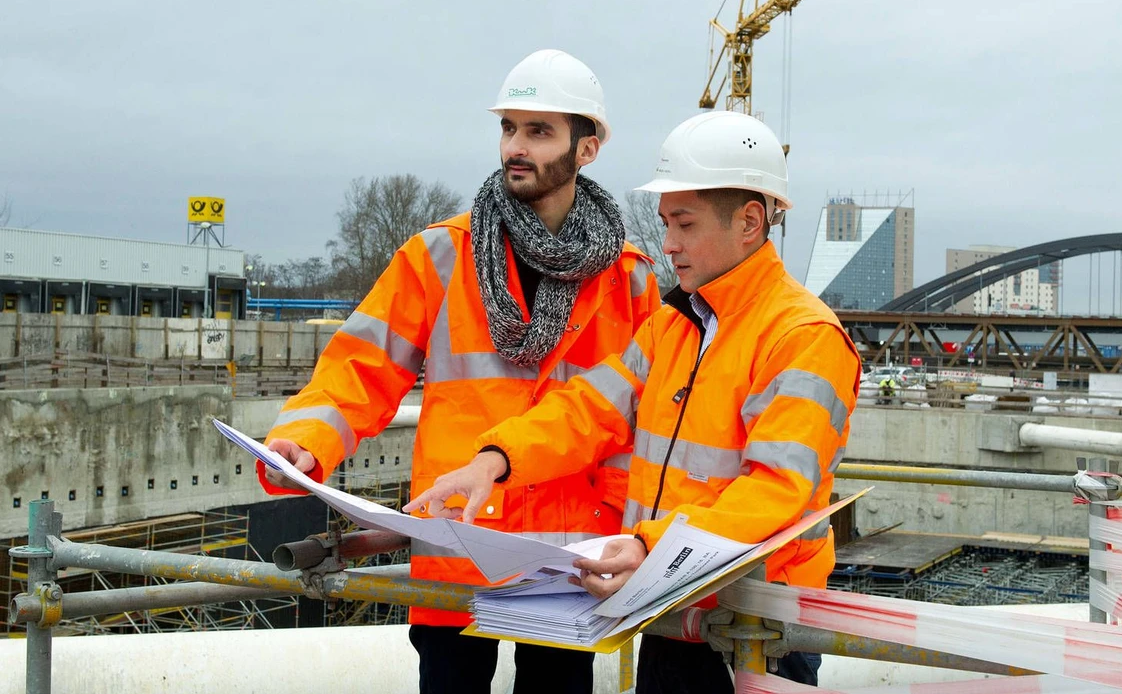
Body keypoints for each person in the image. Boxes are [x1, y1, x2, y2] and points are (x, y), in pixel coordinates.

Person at [410, 111, 862, 692]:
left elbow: (775, 489)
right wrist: (493, 460)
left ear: (750, 221)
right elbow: (590, 409)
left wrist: (650, 545)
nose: (667, 244)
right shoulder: (677, 325)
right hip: (674, 609)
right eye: (665, 222)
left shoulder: (803, 339)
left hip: (758, 624)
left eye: (685, 224)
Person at [258, 49, 661, 694]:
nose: (515, 147)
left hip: (568, 560)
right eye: (508, 128)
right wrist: (304, 441)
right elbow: (362, 365)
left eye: (538, 131)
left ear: (586, 149)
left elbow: (642, 417)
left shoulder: (627, 278)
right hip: (456, 545)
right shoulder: (442, 255)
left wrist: (622, 530)